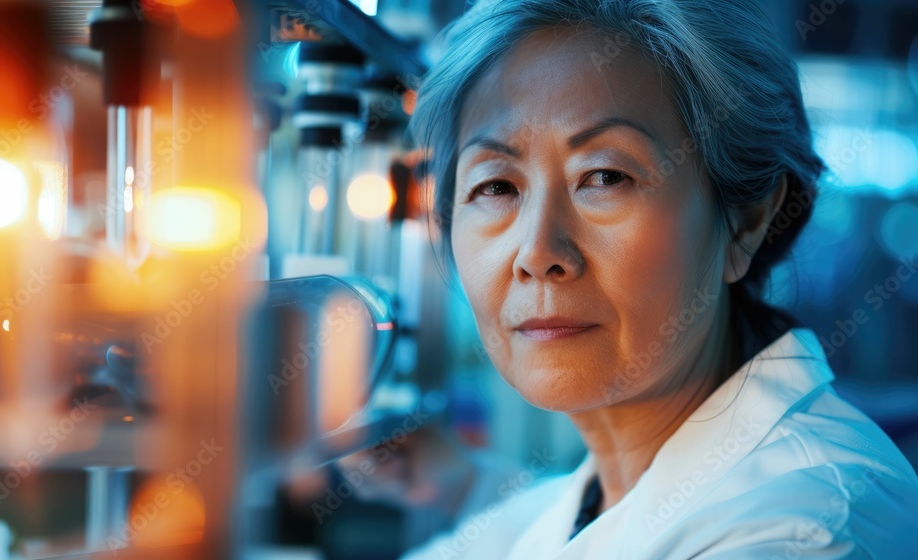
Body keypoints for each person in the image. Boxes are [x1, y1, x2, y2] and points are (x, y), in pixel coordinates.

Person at [360, 0, 918, 558]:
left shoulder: (807, 531)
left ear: (746, 220)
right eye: (496, 187)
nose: (537, 253)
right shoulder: (594, 494)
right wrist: (463, 482)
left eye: (605, 177)